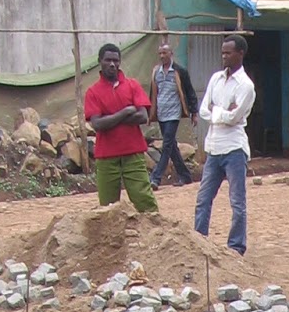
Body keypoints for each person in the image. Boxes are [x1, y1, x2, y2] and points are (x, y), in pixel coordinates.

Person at [196, 33, 255, 259]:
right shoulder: (216, 79)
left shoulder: (246, 86)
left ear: (240, 53)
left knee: (237, 202)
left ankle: (236, 247)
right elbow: (203, 110)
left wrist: (216, 110)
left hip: (234, 149)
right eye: (222, 53)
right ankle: (199, 241)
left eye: (228, 53)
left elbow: (234, 118)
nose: (224, 57)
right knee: (203, 199)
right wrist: (222, 112)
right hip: (213, 148)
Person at [83, 43, 158, 214]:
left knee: (144, 200)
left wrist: (110, 119)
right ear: (99, 61)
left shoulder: (132, 85)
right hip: (106, 156)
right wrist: (125, 111)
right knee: (108, 208)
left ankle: (155, 230)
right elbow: (97, 125)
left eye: (116, 61)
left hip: (133, 153)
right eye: (108, 60)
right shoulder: (93, 92)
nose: (112, 64)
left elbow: (142, 116)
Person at [148, 41, 197, 188]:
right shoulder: (156, 72)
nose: (162, 56)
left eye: (164, 53)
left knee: (167, 144)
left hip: (173, 114)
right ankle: (185, 176)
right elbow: (153, 93)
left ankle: (155, 177)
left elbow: (189, 91)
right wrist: (150, 113)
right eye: (160, 53)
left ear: (171, 54)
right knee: (171, 146)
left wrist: (194, 112)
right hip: (161, 113)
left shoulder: (179, 71)